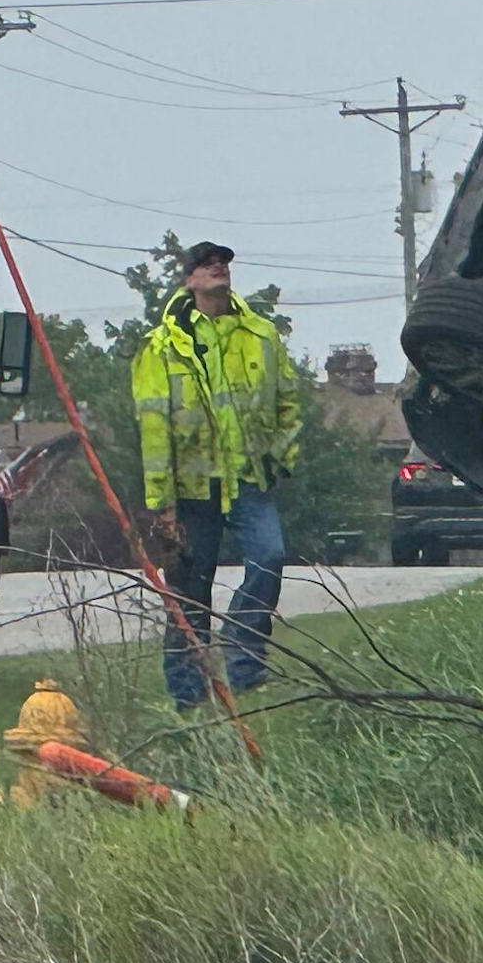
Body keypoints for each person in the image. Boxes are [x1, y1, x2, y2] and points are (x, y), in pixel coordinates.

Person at [128, 243, 306, 708]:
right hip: (192, 486)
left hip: (249, 478)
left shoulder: (261, 334)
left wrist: (280, 456)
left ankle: (245, 664)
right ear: (189, 280)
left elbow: (288, 401)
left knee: (270, 556)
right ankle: (188, 695)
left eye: (223, 263)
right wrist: (161, 501)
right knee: (191, 590)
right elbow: (153, 429)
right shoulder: (160, 348)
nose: (218, 269)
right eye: (207, 265)